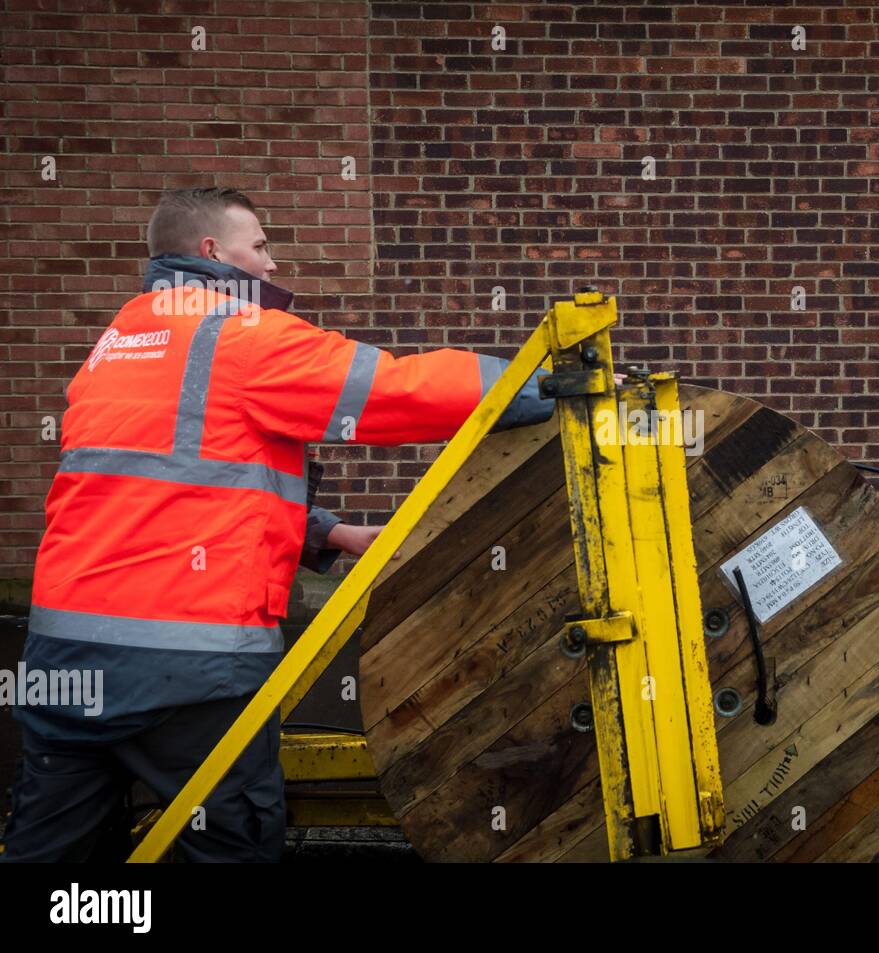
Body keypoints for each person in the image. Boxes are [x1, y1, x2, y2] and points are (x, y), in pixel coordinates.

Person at [1, 187, 555, 861]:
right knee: (230, 843)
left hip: (64, 660)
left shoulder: (122, 340)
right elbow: (392, 389)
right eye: (260, 245)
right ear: (212, 251)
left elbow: (168, 488)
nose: (272, 263)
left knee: (54, 852)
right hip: (186, 672)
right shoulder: (233, 332)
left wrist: (325, 533)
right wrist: (538, 386)